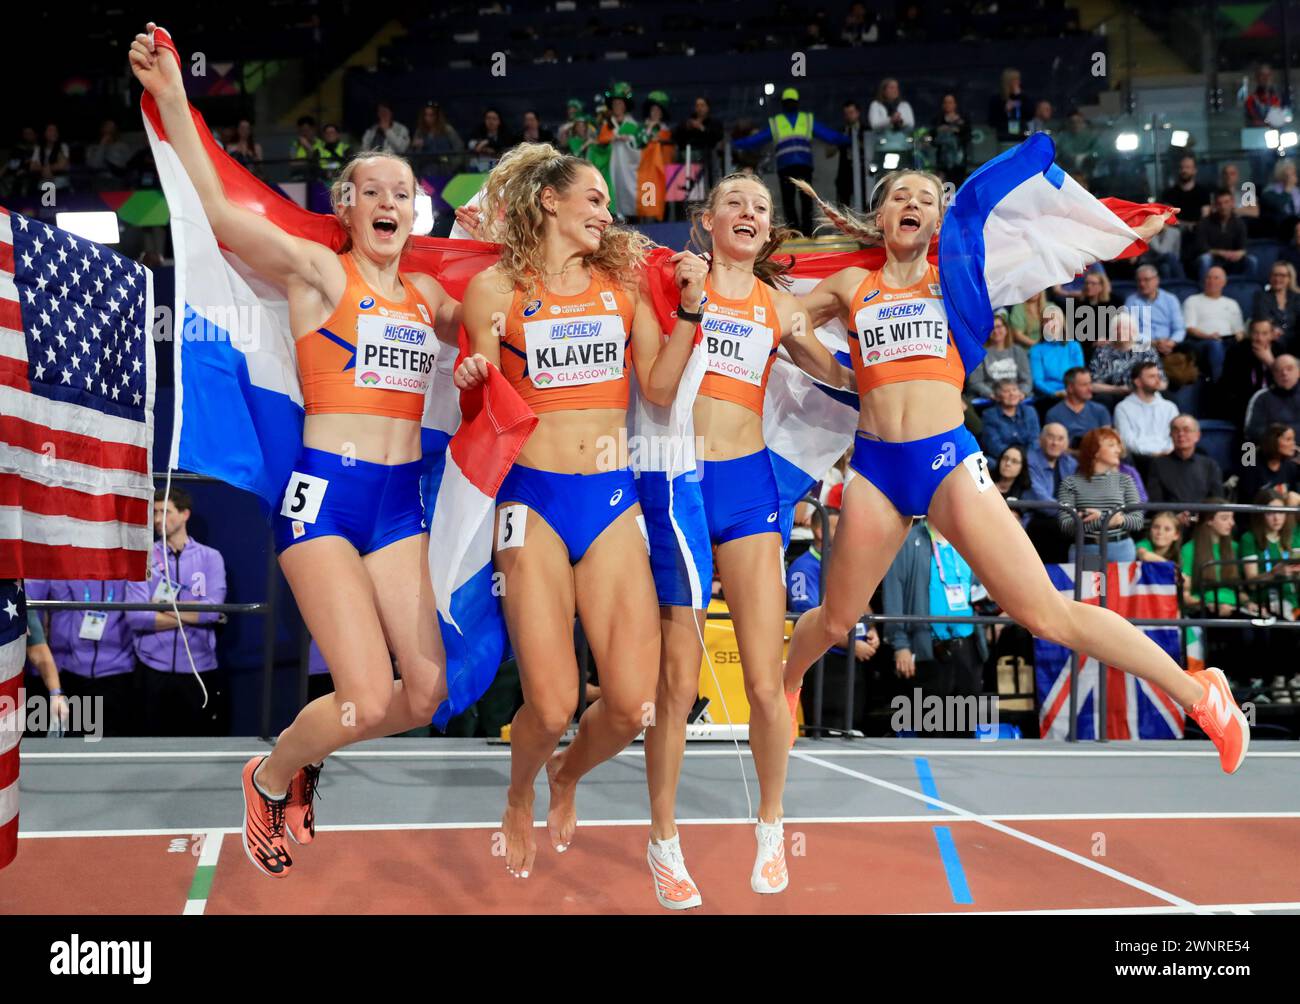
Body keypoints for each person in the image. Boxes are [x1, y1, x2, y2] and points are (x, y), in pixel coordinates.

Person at [132, 23, 467, 877]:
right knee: (360, 696)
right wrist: (175, 98)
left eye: (405, 188)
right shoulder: (321, 276)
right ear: (345, 208)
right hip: (324, 499)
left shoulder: (429, 293)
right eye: (372, 188)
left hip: (398, 506)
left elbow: (502, 297)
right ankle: (274, 771)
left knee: (424, 694)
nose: (391, 196)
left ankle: (310, 753)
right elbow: (221, 218)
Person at [778, 167, 1247, 776]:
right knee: (838, 618)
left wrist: (1115, 228)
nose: (913, 203)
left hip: (945, 461)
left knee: (1046, 613)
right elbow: (786, 323)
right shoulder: (850, 283)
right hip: (875, 466)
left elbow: (1040, 244)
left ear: (939, 221)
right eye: (900, 196)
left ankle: (1200, 693)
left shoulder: (958, 277)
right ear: (881, 216)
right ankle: (780, 690)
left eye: (926, 198)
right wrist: (838, 373)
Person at [453, 143, 698, 885]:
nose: (604, 211)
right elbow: (482, 407)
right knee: (553, 703)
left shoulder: (620, 285)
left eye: (606, 203)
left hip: (611, 498)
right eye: (592, 198)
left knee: (630, 706)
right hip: (532, 502)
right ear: (550, 201)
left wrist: (688, 312)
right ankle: (523, 790)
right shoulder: (494, 290)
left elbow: (656, 389)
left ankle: (566, 778)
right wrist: (473, 377)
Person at [639, 172, 854, 908]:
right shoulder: (670, 283)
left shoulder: (778, 308)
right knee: (676, 681)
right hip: (681, 487)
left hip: (750, 489)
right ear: (705, 219)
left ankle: (770, 822)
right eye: (735, 202)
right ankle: (664, 841)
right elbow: (654, 386)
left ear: (767, 233)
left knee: (766, 680)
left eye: (760, 208)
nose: (749, 213)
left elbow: (846, 382)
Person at [124, 488, 228, 736]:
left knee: (198, 744)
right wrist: (193, 612)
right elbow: (137, 616)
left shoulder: (211, 558)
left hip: (198, 671)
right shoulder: (143, 559)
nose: (158, 519)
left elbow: (213, 612)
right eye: (155, 512)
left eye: (165, 512)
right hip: (152, 670)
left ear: (184, 515)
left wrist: (160, 609)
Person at [786, 486, 879, 740]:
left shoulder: (844, 562)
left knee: (852, 726)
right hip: (826, 660)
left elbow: (861, 600)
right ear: (819, 530)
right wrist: (852, 644)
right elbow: (807, 616)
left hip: (853, 658)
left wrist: (870, 630)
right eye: (838, 528)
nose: (844, 535)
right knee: (828, 728)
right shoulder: (803, 568)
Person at [882, 519, 989, 734]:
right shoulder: (909, 540)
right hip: (929, 647)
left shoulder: (968, 538)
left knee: (966, 727)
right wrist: (900, 644)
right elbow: (894, 592)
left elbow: (980, 586)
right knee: (933, 729)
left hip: (967, 645)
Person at [24, 575, 136, 736]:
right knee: (71, 742)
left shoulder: (127, 573)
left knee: (115, 745)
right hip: (70, 672)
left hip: (118, 673)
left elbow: (141, 617)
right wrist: (56, 687)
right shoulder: (63, 573)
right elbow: (46, 625)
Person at [730, 87, 848, 236]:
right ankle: (806, 233)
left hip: (786, 166)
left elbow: (756, 140)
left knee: (790, 202)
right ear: (797, 103)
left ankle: (796, 233)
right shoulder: (806, 120)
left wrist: (734, 144)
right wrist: (848, 140)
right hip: (803, 165)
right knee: (805, 201)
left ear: (783, 104)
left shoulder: (778, 122)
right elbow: (830, 136)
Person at [1056, 427, 1146, 563]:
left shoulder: (1125, 480)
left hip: (1121, 550)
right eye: (1111, 445)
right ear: (1095, 451)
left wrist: (1117, 520)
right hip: (1086, 551)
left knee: (1118, 585)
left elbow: (1138, 521)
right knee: (1091, 585)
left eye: (1118, 445)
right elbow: (1066, 526)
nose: (1118, 450)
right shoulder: (1070, 483)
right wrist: (1106, 521)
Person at [1239, 490, 1300, 619]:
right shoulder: (1249, 539)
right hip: (1265, 601)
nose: (1277, 518)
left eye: (1280, 511)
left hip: (1292, 599)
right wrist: (1274, 573)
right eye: (1270, 512)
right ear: (1260, 514)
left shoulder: (1293, 537)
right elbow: (1252, 583)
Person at [1146, 414, 1226, 512]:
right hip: (1170, 522)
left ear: (1198, 436)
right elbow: (1155, 502)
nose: (1180, 434)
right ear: (1170, 435)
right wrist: (1175, 518)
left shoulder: (1210, 465)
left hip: (1202, 521)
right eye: (1176, 430)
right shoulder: (1158, 464)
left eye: (1186, 430)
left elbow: (1217, 501)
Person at [1183, 265, 1246, 382]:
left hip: (1228, 341)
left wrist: (1239, 337)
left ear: (1224, 282)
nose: (1211, 281)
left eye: (1216, 278)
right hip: (1202, 342)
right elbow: (1189, 328)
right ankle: (1218, 383)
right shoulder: (1192, 300)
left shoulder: (1232, 303)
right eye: (1208, 278)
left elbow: (1239, 330)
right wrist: (1208, 336)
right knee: (1215, 345)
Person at [1088, 310, 1161, 409]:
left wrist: (1140, 389)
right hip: (1110, 393)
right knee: (1102, 399)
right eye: (1117, 328)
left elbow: (1162, 382)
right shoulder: (1102, 351)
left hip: (1142, 391)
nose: (1121, 331)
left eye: (1126, 328)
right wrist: (1116, 389)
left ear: (1134, 331)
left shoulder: (1147, 350)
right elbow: (1093, 384)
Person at [1114, 360, 1179, 471]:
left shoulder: (1170, 407)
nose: (1158, 380)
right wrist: (1154, 453)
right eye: (1152, 376)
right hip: (1141, 458)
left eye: (1158, 376)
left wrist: (1167, 452)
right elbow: (1127, 442)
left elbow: (1175, 435)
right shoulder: (1123, 408)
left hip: (1168, 454)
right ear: (1138, 382)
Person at [1221, 318, 1282, 422]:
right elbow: (1231, 385)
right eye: (1255, 333)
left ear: (1272, 335)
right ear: (1249, 334)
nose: (1259, 338)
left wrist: (1270, 361)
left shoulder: (1279, 350)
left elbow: (1287, 381)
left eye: (1264, 333)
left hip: (1274, 400)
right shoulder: (1237, 351)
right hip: (1244, 403)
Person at [595, 84, 640, 220]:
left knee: (630, 201)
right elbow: (599, 145)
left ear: (625, 106)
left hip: (629, 172)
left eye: (620, 103)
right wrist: (611, 139)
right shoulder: (606, 126)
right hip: (610, 169)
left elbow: (640, 147)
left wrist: (629, 139)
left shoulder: (633, 126)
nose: (617, 106)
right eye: (615, 103)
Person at [966, 311, 1032, 399]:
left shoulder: (1018, 351)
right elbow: (975, 382)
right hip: (991, 399)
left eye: (999, 327)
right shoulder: (979, 353)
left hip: (1016, 397)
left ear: (1006, 329)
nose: (996, 331)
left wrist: (1022, 393)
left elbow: (1026, 380)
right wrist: (991, 395)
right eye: (991, 328)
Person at [1125, 265, 1186, 357]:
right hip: (1143, 345)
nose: (1142, 284)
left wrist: (1171, 342)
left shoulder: (1170, 299)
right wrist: (1153, 343)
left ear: (1156, 280)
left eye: (1146, 280)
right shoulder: (1131, 301)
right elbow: (1130, 331)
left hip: (1169, 344)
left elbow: (1179, 328)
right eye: (1139, 280)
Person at [1045, 367, 1111, 449]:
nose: (1090, 388)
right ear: (1070, 388)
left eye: (1090, 384)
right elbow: (1054, 447)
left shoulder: (1101, 410)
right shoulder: (1054, 414)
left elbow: (1109, 441)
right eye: (1084, 385)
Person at [1197, 190, 1256, 281]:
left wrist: (1239, 253)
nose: (1223, 207)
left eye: (1226, 202)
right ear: (1215, 205)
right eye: (1219, 203)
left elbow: (1243, 248)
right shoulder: (1205, 222)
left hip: (1232, 260)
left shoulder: (1239, 223)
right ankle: (1204, 288)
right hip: (1214, 259)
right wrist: (1222, 253)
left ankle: (1248, 289)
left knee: (1251, 260)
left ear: (1232, 203)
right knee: (1205, 259)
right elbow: (1202, 248)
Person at [1237, 422, 1300, 505]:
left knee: (1293, 497)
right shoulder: (1251, 466)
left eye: (1293, 439)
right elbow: (1248, 500)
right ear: (1273, 441)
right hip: (1258, 513)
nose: (1293, 444)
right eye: (1288, 439)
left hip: (1283, 514)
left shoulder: (1290, 466)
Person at [1029, 304, 1083, 400]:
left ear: (1062, 322)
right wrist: (1055, 393)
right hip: (1048, 396)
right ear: (1042, 325)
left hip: (1073, 393)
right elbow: (1038, 381)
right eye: (1046, 321)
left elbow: (1079, 375)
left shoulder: (1074, 346)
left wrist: (1071, 391)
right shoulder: (1036, 350)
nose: (1050, 324)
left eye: (1053, 319)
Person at [671, 96, 723, 192]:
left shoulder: (714, 122)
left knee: (708, 191)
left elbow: (717, 136)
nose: (699, 108)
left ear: (708, 108)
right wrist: (687, 127)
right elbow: (675, 136)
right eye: (697, 105)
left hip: (708, 163)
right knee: (690, 193)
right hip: (688, 162)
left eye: (702, 105)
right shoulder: (688, 122)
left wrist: (701, 128)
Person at [980, 378, 1039, 461]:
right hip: (1002, 459)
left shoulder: (1029, 411)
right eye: (1006, 391)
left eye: (1014, 390)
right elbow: (994, 446)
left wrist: (1024, 459)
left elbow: (1034, 440)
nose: (1011, 394)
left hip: (1028, 458)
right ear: (997, 397)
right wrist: (1014, 459)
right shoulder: (989, 415)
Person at [1245, 354, 1300, 441]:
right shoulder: (1261, 398)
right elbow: (1252, 432)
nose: (1284, 373)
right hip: (1274, 449)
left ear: (1298, 372)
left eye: (1289, 369)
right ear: (1273, 375)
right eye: (1279, 370)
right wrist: (1280, 436)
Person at [1251, 261, 1300, 349]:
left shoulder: (1297, 297)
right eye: (1274, 275)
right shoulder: (1261, 296)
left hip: (1295, 337)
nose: (1277, 279)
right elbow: (1262, 317)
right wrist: (1273, 329)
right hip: (1273, 337)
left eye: (1282, 275)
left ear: (1289, 278)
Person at [929, 93, 971, 186]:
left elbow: (968, 137)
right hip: (942, 161)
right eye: (946, 102)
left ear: (955, 104)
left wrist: (957, 130)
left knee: (958, 183)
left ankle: (957, 200)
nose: (948, 105)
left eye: (950, 102)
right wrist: (940, 131)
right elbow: (932, 139)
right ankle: (947, 200)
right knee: (945, 185)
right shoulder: (938, 120)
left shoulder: (963, 120)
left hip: (959, 160)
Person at [1160, 155, 1212, 225]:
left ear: (1194, 170)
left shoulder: (1203, 193)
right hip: (1176, 232)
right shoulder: (1169, 194)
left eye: (1187, 167)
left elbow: (1205, 217)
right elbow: (1168, 218)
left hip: (1198, 231)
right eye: (1181, 167)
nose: (1184, 170)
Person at [987, 67, 1028, 141]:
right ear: (1008, 82)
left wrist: (1019, 95)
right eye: (1015, 80)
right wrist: (1004, 110)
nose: (1018, 82)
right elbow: (991, 121)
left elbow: (1030, 114)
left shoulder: (1023, 97)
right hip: (1004, 136)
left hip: (1022, 136)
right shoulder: (997, 99)